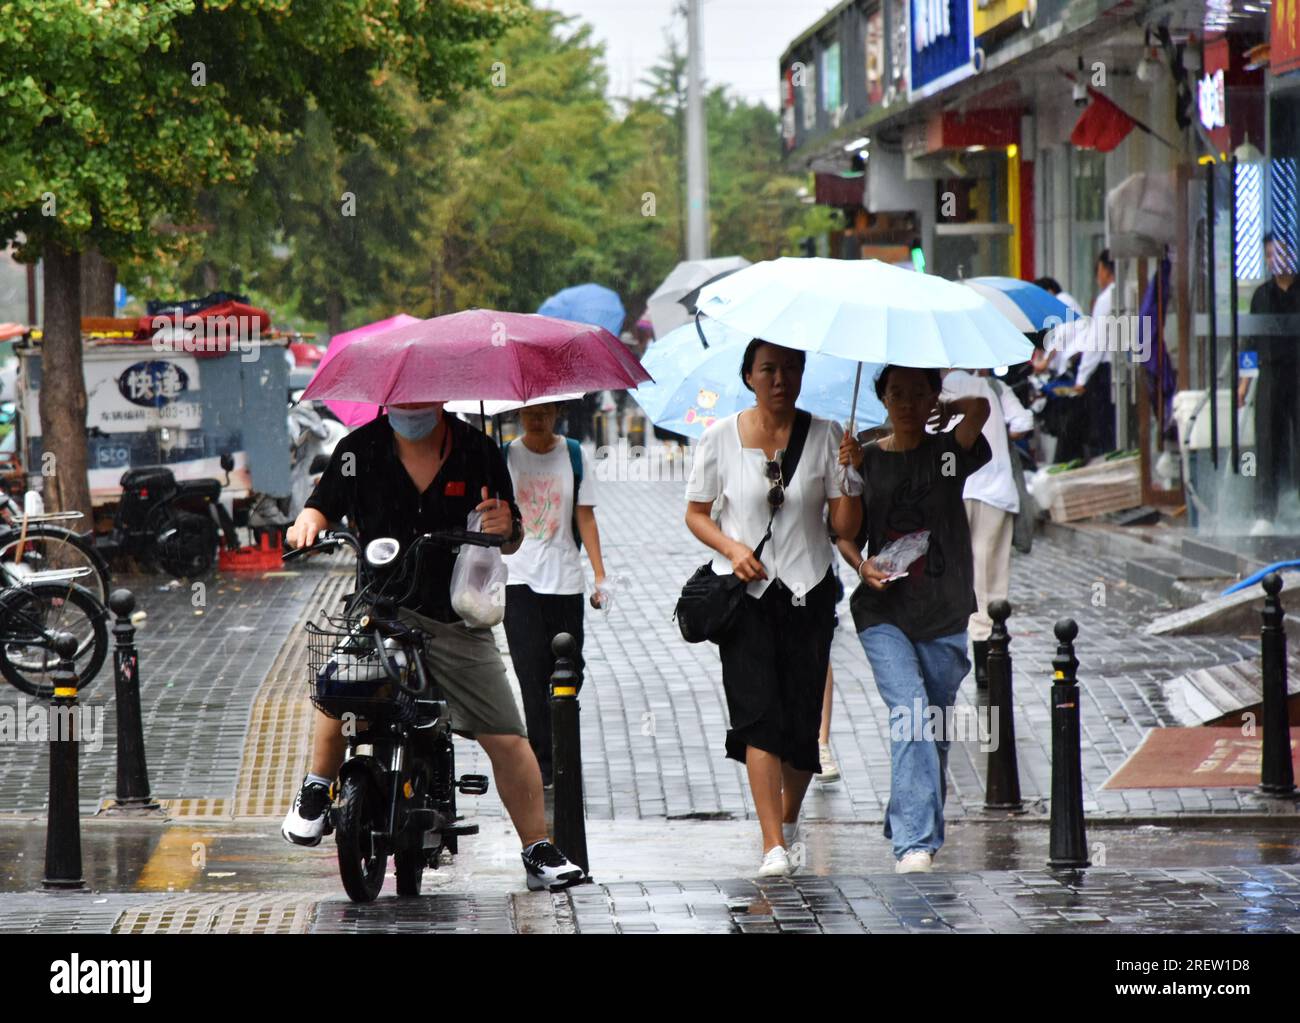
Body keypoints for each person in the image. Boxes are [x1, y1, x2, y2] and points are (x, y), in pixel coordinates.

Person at [280, 402, 586, 893]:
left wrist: (507, 523)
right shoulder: (357, 449)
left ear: (441, 398)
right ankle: (316, 787)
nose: (413, 406)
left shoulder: (477, 449)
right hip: (379, 610)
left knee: (508, 735)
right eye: (402, 397)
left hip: (456, 617)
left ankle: (537, 850)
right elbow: (321, 504)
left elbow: (511, 535)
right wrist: (308, 522)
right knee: (338, 688)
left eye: (424, 396)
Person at [685, 340, 862, 878]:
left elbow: (845, 528)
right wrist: (733, 548)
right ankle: (772, 845)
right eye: (768, 369)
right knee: (759, 720)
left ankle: (785, 823)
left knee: (801, 726)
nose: (780, 379)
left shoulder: (829, 435)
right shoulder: (719, 438)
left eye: (790, 368)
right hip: (749, 602)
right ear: (749, 376)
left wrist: (851, 475)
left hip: (809, 596)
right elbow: (696, 514)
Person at [839, 365, 990, 874]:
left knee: (935, 727)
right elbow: (842, 534)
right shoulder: (863, 458)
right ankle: (914, 843)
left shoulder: (946, 457)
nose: (906, 402)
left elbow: (981, 409)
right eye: (896, 392)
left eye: (918, 393)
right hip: (883, 611)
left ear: (932, 397)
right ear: (881, 397)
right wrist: (861, 565)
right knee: (911, 712)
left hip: (944, 608)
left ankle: (907, 816)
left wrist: (949, 410)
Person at [501, 400, 608, 788]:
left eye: (545, 411)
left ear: (558, 411)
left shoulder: (574, 454)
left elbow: (585, 516)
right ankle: (544, 764)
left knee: (568, 672)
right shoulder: (506, 456)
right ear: (518, 415)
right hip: (519, 578)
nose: (537, 418)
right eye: (530, 411)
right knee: (531, 675)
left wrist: (600, 576)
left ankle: (561, 743)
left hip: (564, 579)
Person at [941, 369, 1034, 688]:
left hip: (956, 491)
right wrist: (1001, 434)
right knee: (991, 577)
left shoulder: (940, 388)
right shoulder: (995, 387)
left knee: (962, 573)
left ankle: (968, 653)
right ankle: (989, 658)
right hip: (996, 491)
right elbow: (1024, 422)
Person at [1245, 234, 1300, 533]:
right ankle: (1265, 512)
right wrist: (1244, 382)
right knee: (1266, 441)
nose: (1273, 261)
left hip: (1298, 370)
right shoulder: (1261, 296)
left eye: (1277, 254)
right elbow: (1250, 342)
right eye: (1268, 256)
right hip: (1270, 373)